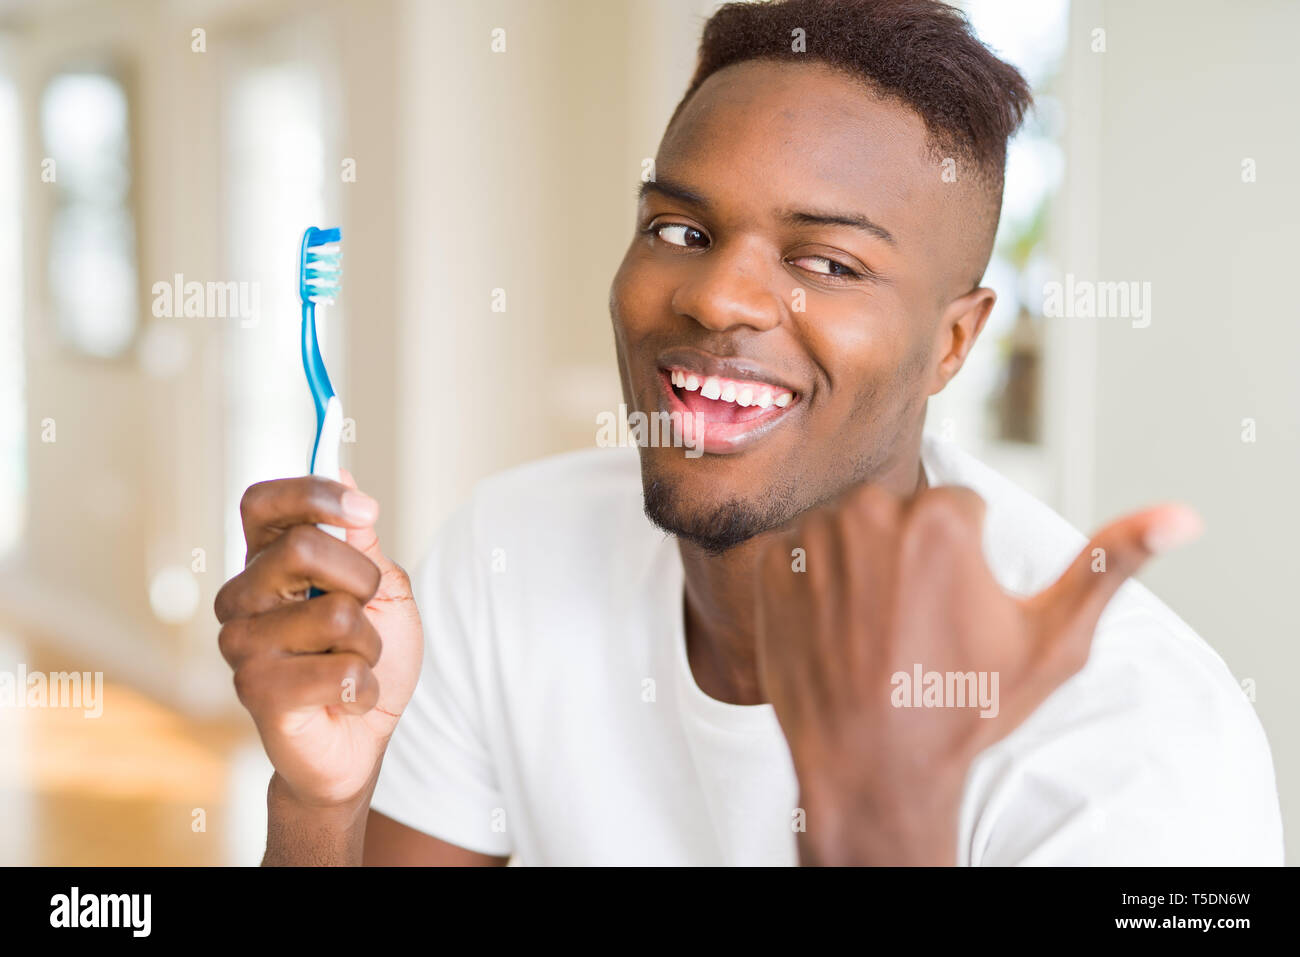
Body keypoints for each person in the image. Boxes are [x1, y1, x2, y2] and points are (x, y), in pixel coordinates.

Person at [214, 0, 1283, 865]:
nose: (717, 296)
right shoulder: (512, 550)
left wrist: (879, 837)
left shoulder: (1130, 737)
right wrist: (320, 803)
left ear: (953, 343)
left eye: (827, 261)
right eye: (679, 230)